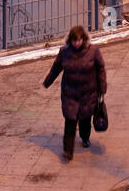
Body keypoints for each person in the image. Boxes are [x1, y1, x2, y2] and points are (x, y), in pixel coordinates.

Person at [43, 25, 107, 161]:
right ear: (70, 41)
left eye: (79, 40)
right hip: (70, 93)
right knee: (70, 121)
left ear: (83, 39)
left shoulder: (93, 51)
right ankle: (68, 150)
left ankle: (85, 137)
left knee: (85, 119)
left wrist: (102, 87)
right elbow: (56, 68)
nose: (77, 43)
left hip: (88, 93)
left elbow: (100, 68)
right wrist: (47, 82)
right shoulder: (64, 52)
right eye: (74, 41)